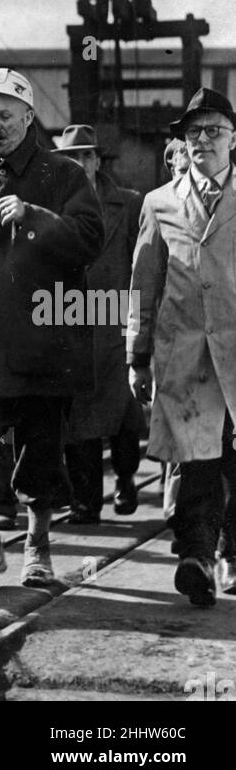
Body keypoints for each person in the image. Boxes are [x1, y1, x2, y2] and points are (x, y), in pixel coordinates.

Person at [0, 67, 104, 592]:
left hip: (41, 342)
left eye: (5, 115)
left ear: (29, 117)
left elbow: (89, 241)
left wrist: (33, 217)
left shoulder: (64, 176)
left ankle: (37, 546)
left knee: (40, 448)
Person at [128, 87, 236, 606]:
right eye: (193, 133)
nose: (202, 140)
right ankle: (195, 557)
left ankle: (229, 551)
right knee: (196, 463)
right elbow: (142, 283)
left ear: (233, 139)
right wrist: (137, 355)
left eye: (213, 130)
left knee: (232, 461)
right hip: (186, 357)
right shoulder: (160, 203)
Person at [52, 125, 143, 524]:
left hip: (116, 322)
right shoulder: (49, 206)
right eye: (72, 157)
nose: (80, 163)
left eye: (86, 155)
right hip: (67, 320)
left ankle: (126, 477)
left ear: (98, 160)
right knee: (77, 420)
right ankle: (86, 502)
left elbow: (143, 266)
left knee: (122, 415)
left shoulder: (129, 205)